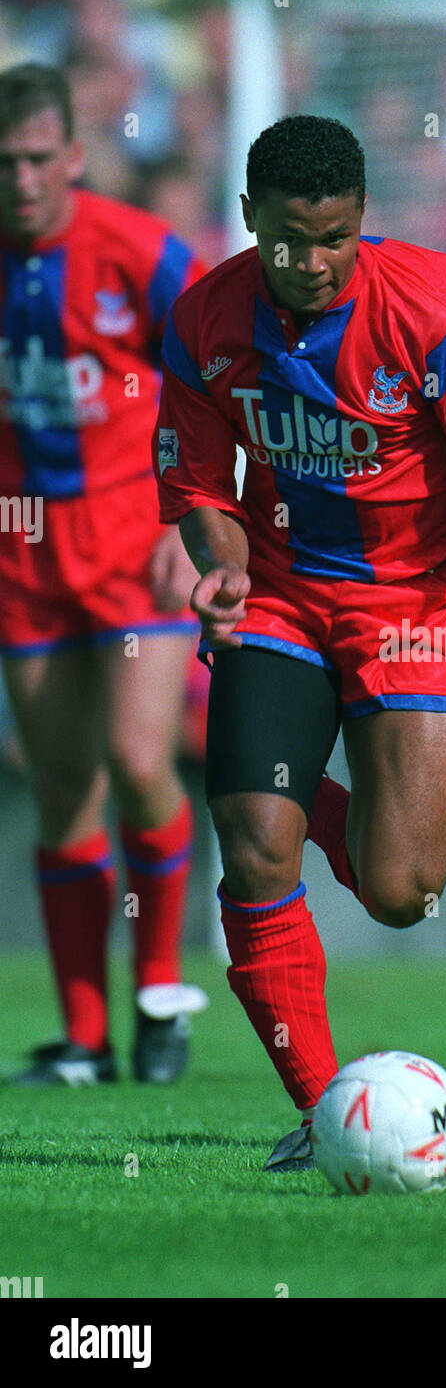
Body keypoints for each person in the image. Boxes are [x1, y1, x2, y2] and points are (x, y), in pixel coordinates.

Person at [153, 114, 446, 1170]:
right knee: (253, 845)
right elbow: (200, 484)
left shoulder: (431, 309)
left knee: (400, 892)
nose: (309, 262)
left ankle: (293, 800)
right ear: (249, 219)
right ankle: (319, 1112)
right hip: (283, 596)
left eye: (333, 237)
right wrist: (224, 560)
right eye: (288, 239)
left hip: (418, 600)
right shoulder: (206, 317)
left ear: (360, 223)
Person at [0, 63, 208, 1086]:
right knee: (61, 789)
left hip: (136, 543)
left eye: (39, 158)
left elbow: (224, 363)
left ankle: (159, 991)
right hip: (23, 551)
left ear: (74, 158)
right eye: (6, 163)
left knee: (139, 759)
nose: (23, 179)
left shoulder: (139, 251)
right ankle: (83, 1038)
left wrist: (196, 518)